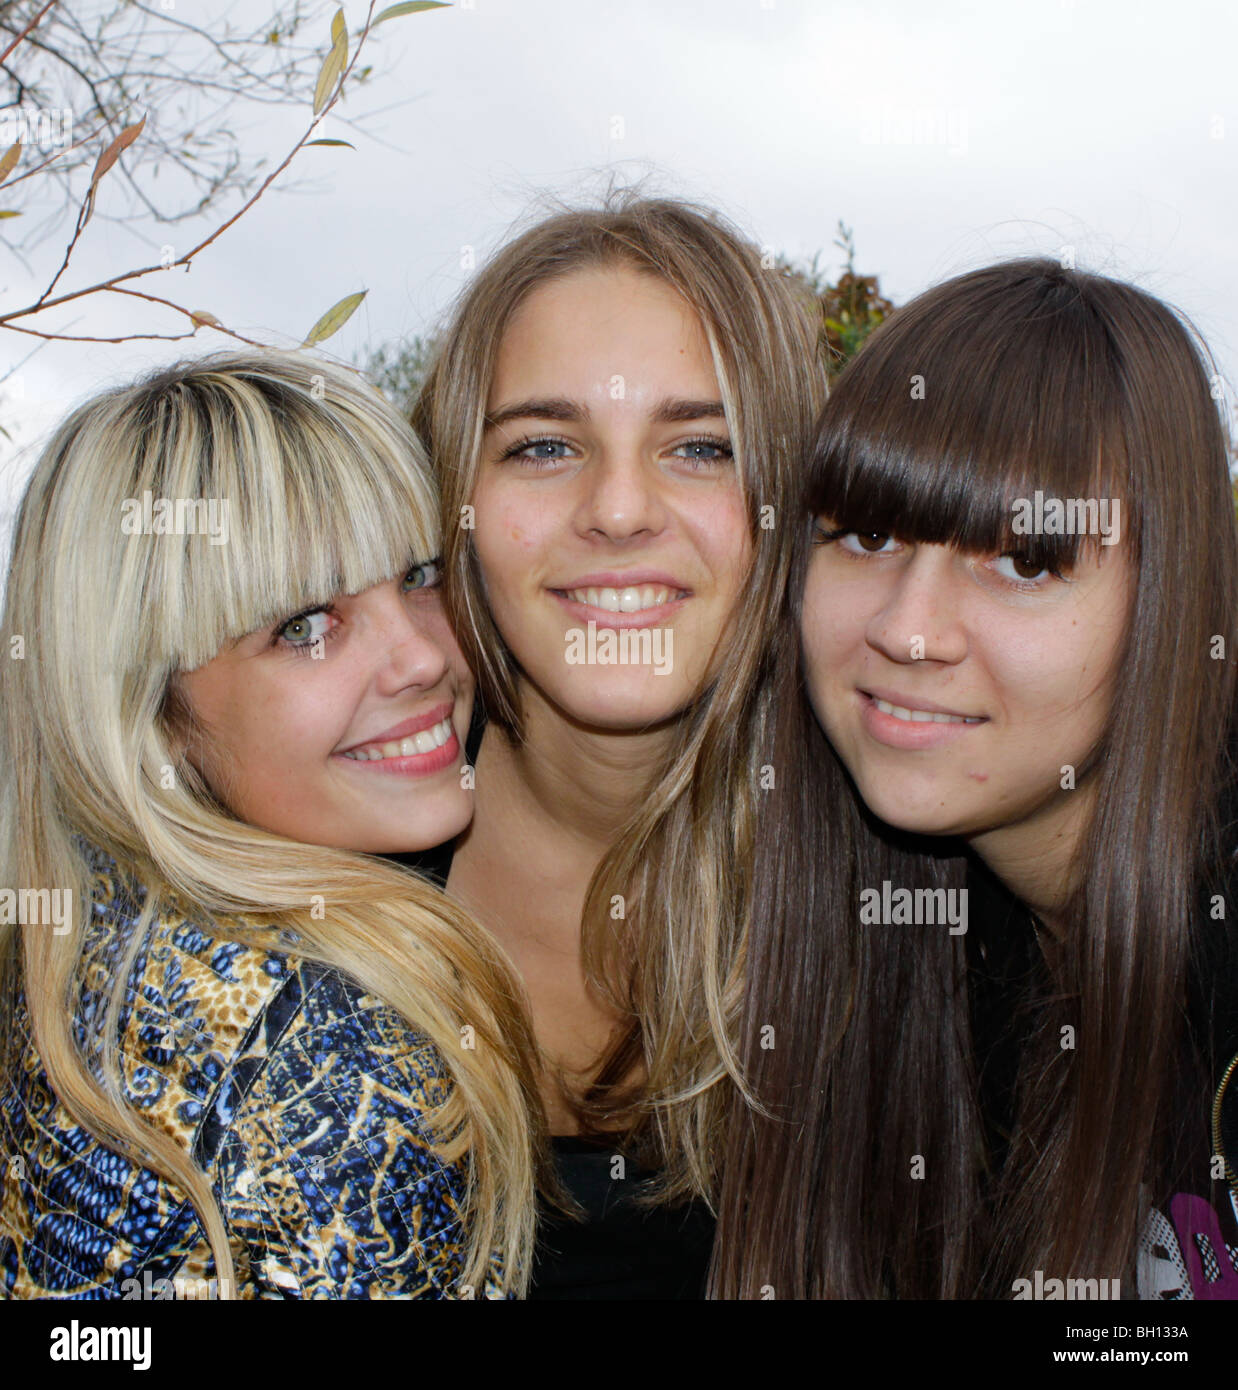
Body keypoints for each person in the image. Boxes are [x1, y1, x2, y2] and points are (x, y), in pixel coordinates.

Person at [713, 258, 1238, 1299]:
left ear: (1169, 597)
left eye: (1023, 562)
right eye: (864, 535)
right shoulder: (898, 948)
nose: (906, 630)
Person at [0, 352, 545, 1299]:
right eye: (304, 625)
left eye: (419, 576)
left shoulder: (70, 957)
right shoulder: (336, 1060)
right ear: (153, 716)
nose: (420, 657)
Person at [408, 192, 826, 1296]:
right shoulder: (307, 884)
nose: (619, 508)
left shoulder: (902, 899)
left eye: (699, 446)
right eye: (543, 445)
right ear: (453, 497)